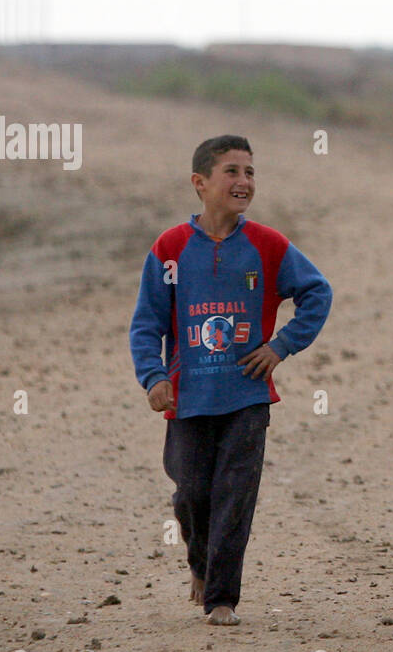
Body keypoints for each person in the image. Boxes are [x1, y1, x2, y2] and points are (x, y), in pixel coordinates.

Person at [129, 134, 332, 626]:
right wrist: (154, 376)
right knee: (191, 495)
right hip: (188, 397)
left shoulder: (267, 245)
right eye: (232, 172)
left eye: (250, 172)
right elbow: (147, 323)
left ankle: (222, 597)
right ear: (200, 183)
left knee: (235, 495)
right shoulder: (171, 249)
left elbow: (316, 293)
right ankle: (200, 564)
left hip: (246, 395)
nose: (244, 181)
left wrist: (280, 346)